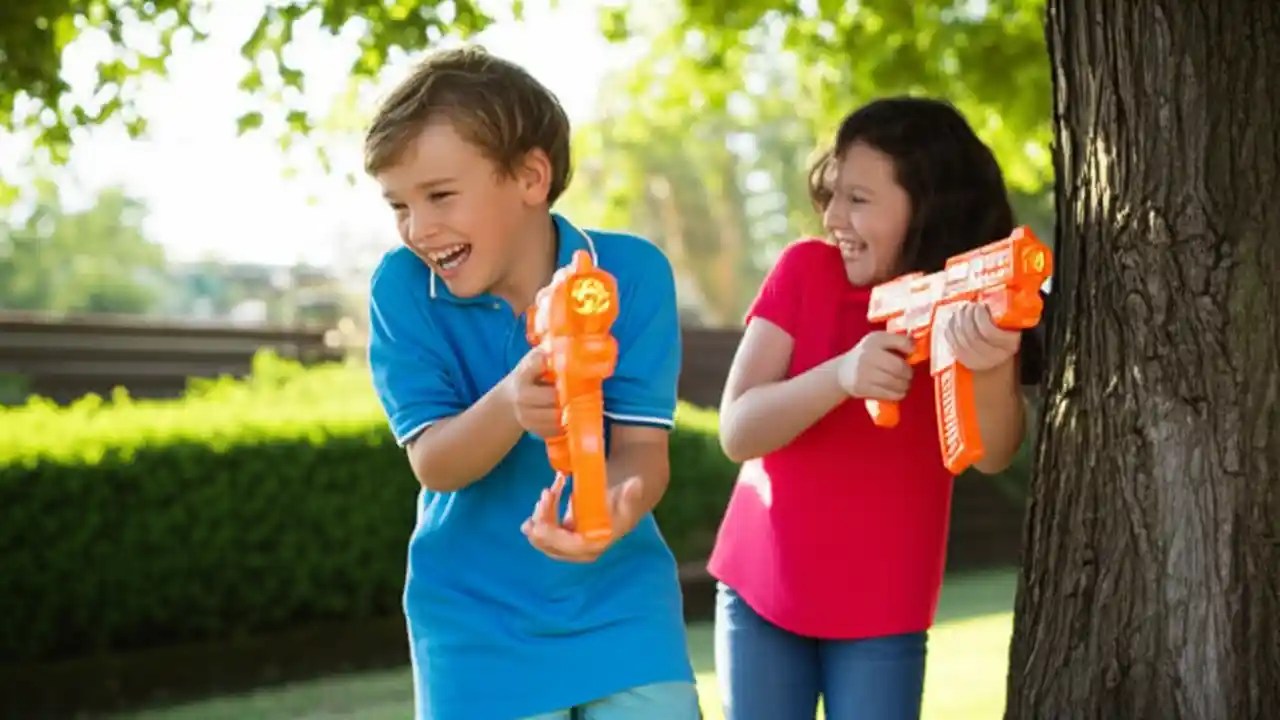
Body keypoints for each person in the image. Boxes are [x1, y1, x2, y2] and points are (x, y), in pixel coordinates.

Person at [363, 46, 700, 720]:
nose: (418, 229)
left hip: (622, 608)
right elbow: (436, 462)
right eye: (399, 204)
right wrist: (513, 402)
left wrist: (612, 514)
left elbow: (640, 450)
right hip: (474, 626)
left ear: (530, 177)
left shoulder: (629, 275)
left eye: (440, 196)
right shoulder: (401, 289)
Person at [706, 97, 1046, 720]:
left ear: (928, 207)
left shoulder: (969, 300)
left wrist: (991, 359)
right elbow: (738, 429)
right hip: (763, 588)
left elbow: (994, 455)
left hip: (884, 606)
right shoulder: (804, 270)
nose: (833, 216)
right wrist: (841, 375)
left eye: (859, 200)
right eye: (834, 194)